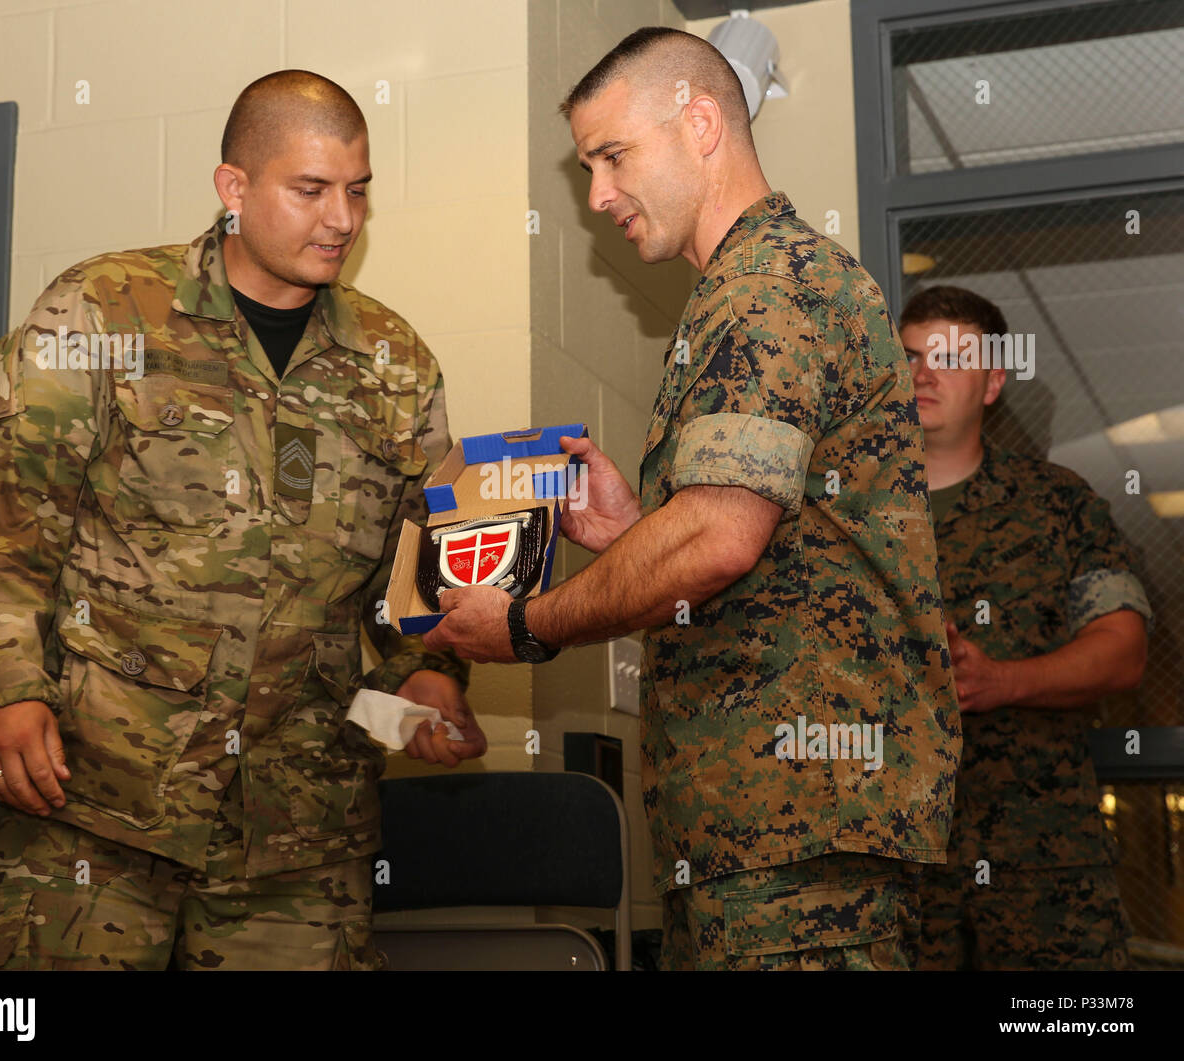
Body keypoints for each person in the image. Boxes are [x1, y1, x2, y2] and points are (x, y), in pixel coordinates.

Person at [0, 69, 485, 971]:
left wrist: (426, 672)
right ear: (234, 188)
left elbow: (416, 570)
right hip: (96, 801)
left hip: (302, 827)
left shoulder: (396, 365)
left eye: (358, 191)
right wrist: (5, 690)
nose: (342, 218)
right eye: (311, 190)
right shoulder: (104, 309)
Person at [422, 28, 959, 971]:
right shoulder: (748, 289)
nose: (598, 194)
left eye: (613, 156)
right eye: (587, 167)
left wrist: (526, 625)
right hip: (769, 825)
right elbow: (762, 542)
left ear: (700, 123)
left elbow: (718, 538)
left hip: (795, 831)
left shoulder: (764, 288)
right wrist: (637, 532)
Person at [900, 285, 1149, 970]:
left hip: (1044, 876)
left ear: (993, 383)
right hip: (898, 878)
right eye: (910, 356)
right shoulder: (843, 511)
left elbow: (1123, 651)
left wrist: (1002, 681)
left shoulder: (1058, 504)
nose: (924, 375)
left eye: (950, 358)